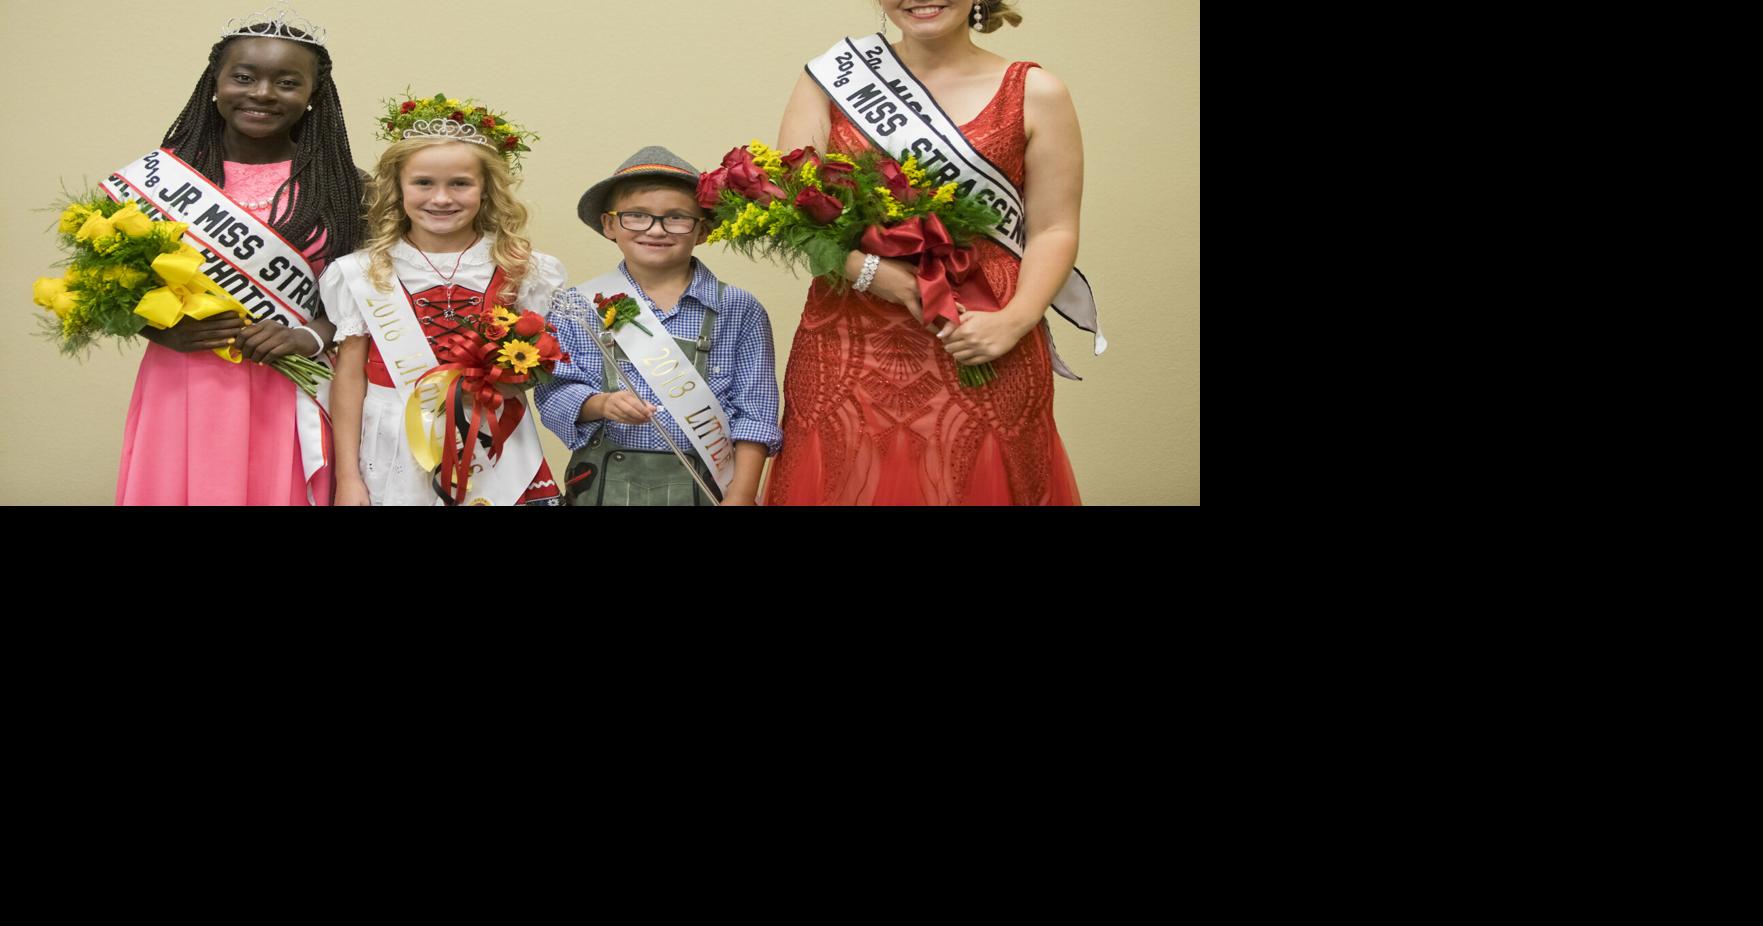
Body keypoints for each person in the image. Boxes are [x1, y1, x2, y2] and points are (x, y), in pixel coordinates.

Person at [764, 0, 1093, 505]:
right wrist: (875, 273)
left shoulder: (1035, 91)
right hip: (852, 332)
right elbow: (795, 212)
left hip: (981, 328)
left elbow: (1052, 228)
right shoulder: (830, 78)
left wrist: (1014, 321)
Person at [114, 1, 365, 505]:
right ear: (215, 82)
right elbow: (110, 290)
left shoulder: (343, 188)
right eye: (244, 77)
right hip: (183, 381)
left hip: (292, 385)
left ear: (314, 94)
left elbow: (364, 302)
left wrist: (309, 337)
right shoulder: (162, 183)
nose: (263, 94)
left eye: (288, 82)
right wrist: (154, 326)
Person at [319, 94, 566, 506]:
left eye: (460, 184)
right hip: (392, 441)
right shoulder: (359, 272)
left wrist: (507, 378)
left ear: (486, 189)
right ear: (396, 188)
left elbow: (541, 364)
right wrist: (348, 478)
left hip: (491, 442)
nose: (441, 198)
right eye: (423, 183)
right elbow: (348, 380)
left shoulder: (526, 268)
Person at [536, 146, 781, 506]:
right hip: (603, 488)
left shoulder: (738, 309)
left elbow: (756, 412)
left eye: (677, 218)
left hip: (709, 488)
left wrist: (741, 495)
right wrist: (600, 404)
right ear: (609, 224)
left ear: (703, 230)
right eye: (637, 216)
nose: (656, 230)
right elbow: (553, 393)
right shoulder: (576, 306)